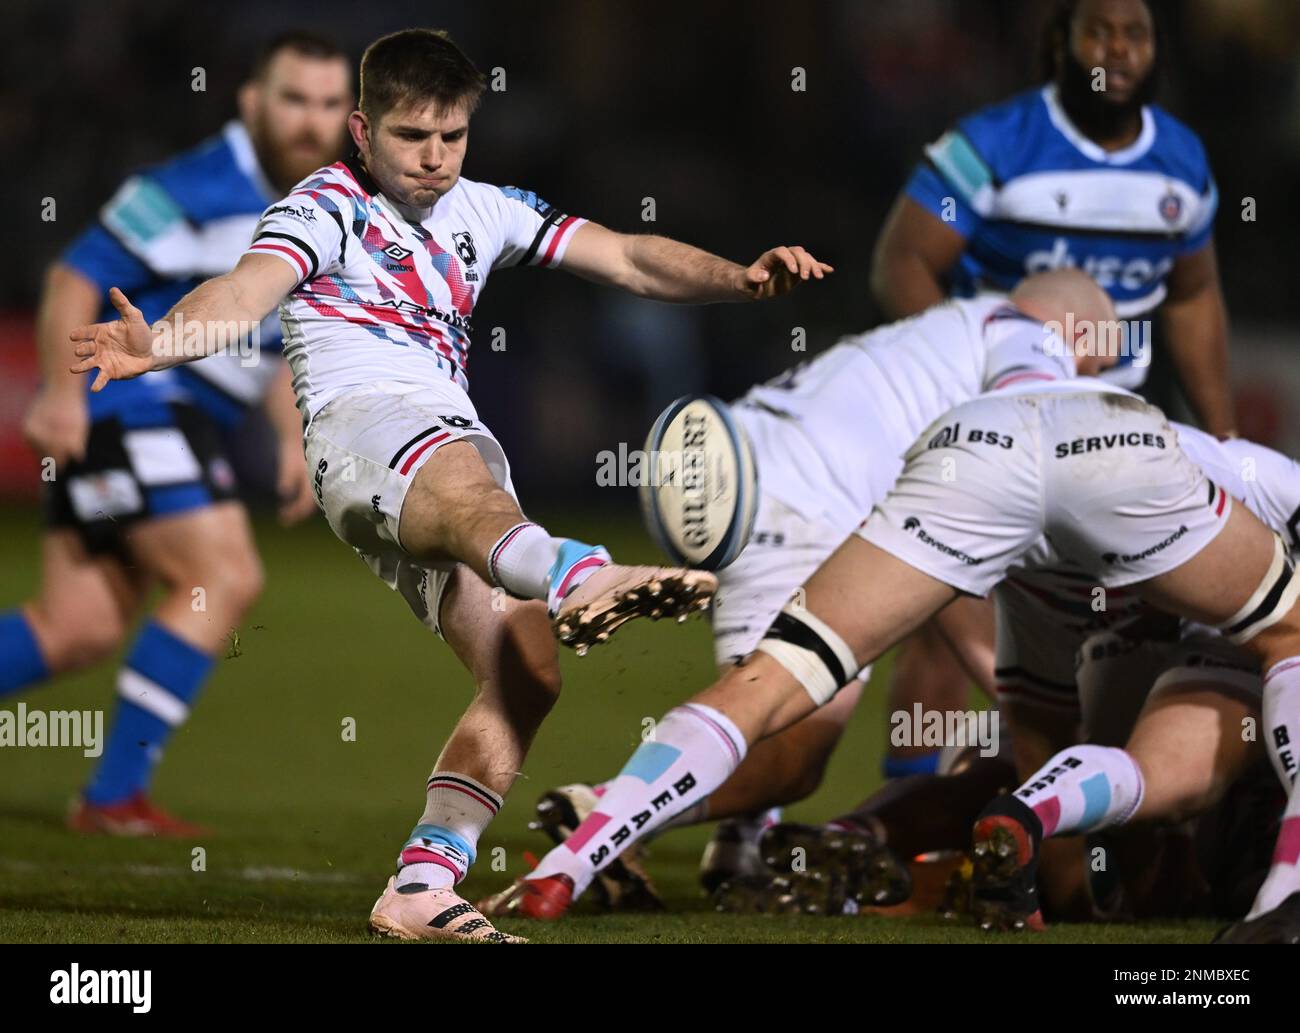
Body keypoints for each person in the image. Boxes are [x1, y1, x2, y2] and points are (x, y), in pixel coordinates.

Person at [68, 28, 833, 942]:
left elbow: (627, 256)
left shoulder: (488, 208)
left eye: (451, 137)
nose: (433, 159)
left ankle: (423, 883)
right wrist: (161, 340)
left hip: (437, 456)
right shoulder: (324, 208)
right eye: (409, 137)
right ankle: (580, 571)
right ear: (361, 130)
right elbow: (243, 292)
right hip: (367, 433)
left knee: (527, 668)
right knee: (473, 484)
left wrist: (740, 279)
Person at [480, 317, 1300, 938]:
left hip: (968, 450)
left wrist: (1055, 877)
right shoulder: (1238, 469)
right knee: (1290, 634)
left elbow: (1039, 754)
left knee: (765, 684)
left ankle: (571, 860)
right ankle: (1286, 889)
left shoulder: (1043, 614)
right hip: (1113, 447)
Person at [528, 269, 1111, 902]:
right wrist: (1026, 702)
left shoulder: (943, 332)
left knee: (763, 697)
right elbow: (1017, 471)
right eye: (1093, 362)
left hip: (739, 466)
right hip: (801, 507)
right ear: (1071, 330)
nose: (1089, 382)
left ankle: (742, 846)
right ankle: (607, 811)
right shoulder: (1026, 338)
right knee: (795, 752)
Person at [868, 0, 1232, 788]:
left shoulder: (1181, 162)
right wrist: (973, 372)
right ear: (1058, 43)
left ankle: (1081, 804)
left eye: (1136, 32)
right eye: (1097, 30)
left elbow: (1194, 296)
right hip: (993, 433)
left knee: (1131, 625)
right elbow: (902, 261)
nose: (1118, 49)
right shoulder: (992, 145)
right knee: (942, 610)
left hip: (1114, 441)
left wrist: (1223, 430)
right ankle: (900, 814)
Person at [3, 31, 350, 835]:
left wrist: (293, 436)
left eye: (331, 104)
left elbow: (260, 340)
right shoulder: (188, 185)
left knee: (73, 627)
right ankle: (113, 798)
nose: (312, 121)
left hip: (176, 420)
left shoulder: (322, 205)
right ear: (253, 103)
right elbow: (73, 274)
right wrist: (61, 394)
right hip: (132, 405)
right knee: (224, 574)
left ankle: (111, 797)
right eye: (295, 99)